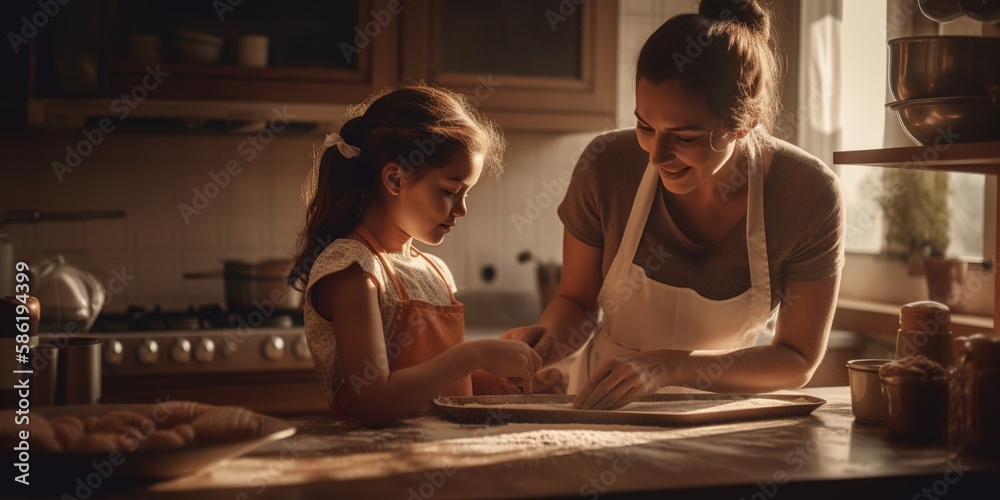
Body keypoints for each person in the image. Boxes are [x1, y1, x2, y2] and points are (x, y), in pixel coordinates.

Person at [503, 0, 845, 410]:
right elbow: (576, 303)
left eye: (684, 137)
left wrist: (669, 367)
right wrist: (543, 346)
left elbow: (797, 358)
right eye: (645, 126)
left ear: (746, 122)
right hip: (601, 409)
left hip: (718, 422)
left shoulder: (806, 194)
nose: (655, 155)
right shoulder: (607, 164)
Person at [290, 85, 544, 426]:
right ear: (395, 178)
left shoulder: (434, 270)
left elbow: (448, 387)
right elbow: (375, 401)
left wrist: (510, 383)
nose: (462, 209)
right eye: (451, 191)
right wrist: (477, 353)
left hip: (440, 457)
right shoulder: (352, 269)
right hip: (376, 466)